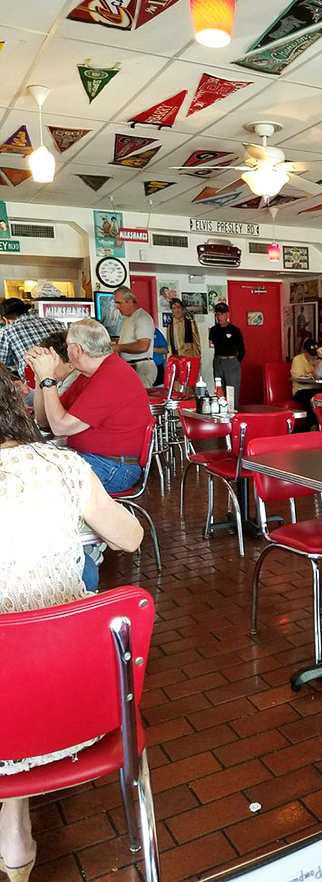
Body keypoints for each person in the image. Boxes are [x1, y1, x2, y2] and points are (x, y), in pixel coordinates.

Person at [0, 361, 143, 880]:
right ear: (14, 405)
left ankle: (14, 818)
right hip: (80, 705)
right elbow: (131, 537)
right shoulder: (62, 468)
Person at [26, 319, 150, 494]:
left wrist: (48, 378)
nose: (66, 350)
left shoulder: (111, 377)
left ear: (77, 350)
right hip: (96, 460)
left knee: (36, 482)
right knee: (28, 471)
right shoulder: (90, 374)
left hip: (114, 468)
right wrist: (41, 376)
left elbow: (60, 427)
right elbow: (46, 420)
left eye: (67, 346)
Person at [0, 298, 65, 378]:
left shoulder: (7, 331)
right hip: (66, 375)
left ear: (5, 320)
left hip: (37, 381)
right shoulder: (56, 322)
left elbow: (1, 364)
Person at [111, 288, 157, 388]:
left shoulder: (142, 318)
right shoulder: (127, 318)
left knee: (139, 401)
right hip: (130, 367)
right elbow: (127, 340)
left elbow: (143, 346)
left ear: (130, 301)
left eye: (119, 303)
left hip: (141, 367)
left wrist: (118, 347)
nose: (117, 307)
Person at [208, 303, 245, 407]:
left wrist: (236, 361)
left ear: (227, 315)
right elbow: (212, 343)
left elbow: (242, 349)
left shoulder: (235, 330)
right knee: (219, 390)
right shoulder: (214, 330)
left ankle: (234, 415)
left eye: (222, 314)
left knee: (232, 391)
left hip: (231, 362)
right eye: (217, 314)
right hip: (218, 361)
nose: (219, 317)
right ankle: (221, 414)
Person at [291, 338, 322, 423]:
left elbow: (320, 374)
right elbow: (298, 379)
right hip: (301, 389)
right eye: (310, 353)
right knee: (309, 397)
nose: (312, 356)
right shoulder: (298, 360)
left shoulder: (319, 359)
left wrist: (319, 359)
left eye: (314, 353)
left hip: (317, 388)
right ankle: (312, 425)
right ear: (304, 351)